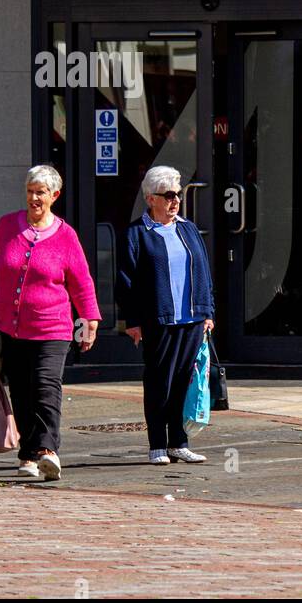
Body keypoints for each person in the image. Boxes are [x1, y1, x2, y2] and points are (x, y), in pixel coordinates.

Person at [0, 165, 100, 480]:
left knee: (45, 386)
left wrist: (90, 318)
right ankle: (28, 455)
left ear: (54, 196)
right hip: (9, 327)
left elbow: (81, 281)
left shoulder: (66, 236)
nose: (34, 198)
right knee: (21, 390)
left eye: (40, 192)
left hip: (52, 328)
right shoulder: (6, 227)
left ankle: (48, 450)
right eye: (30, 191)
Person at [115, 166, 215, 465]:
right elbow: (125, 280)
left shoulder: (188, 228)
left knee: (184, 381)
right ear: (151, 199)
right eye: (168, 195)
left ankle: (178, 442)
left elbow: (204, 272)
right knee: (160, 381)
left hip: (192, 318)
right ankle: (157, 443)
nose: (175, 201)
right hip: (158, 319)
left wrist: (208, 311)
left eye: (178, 195)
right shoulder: (136, 234)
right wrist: (132, 321)